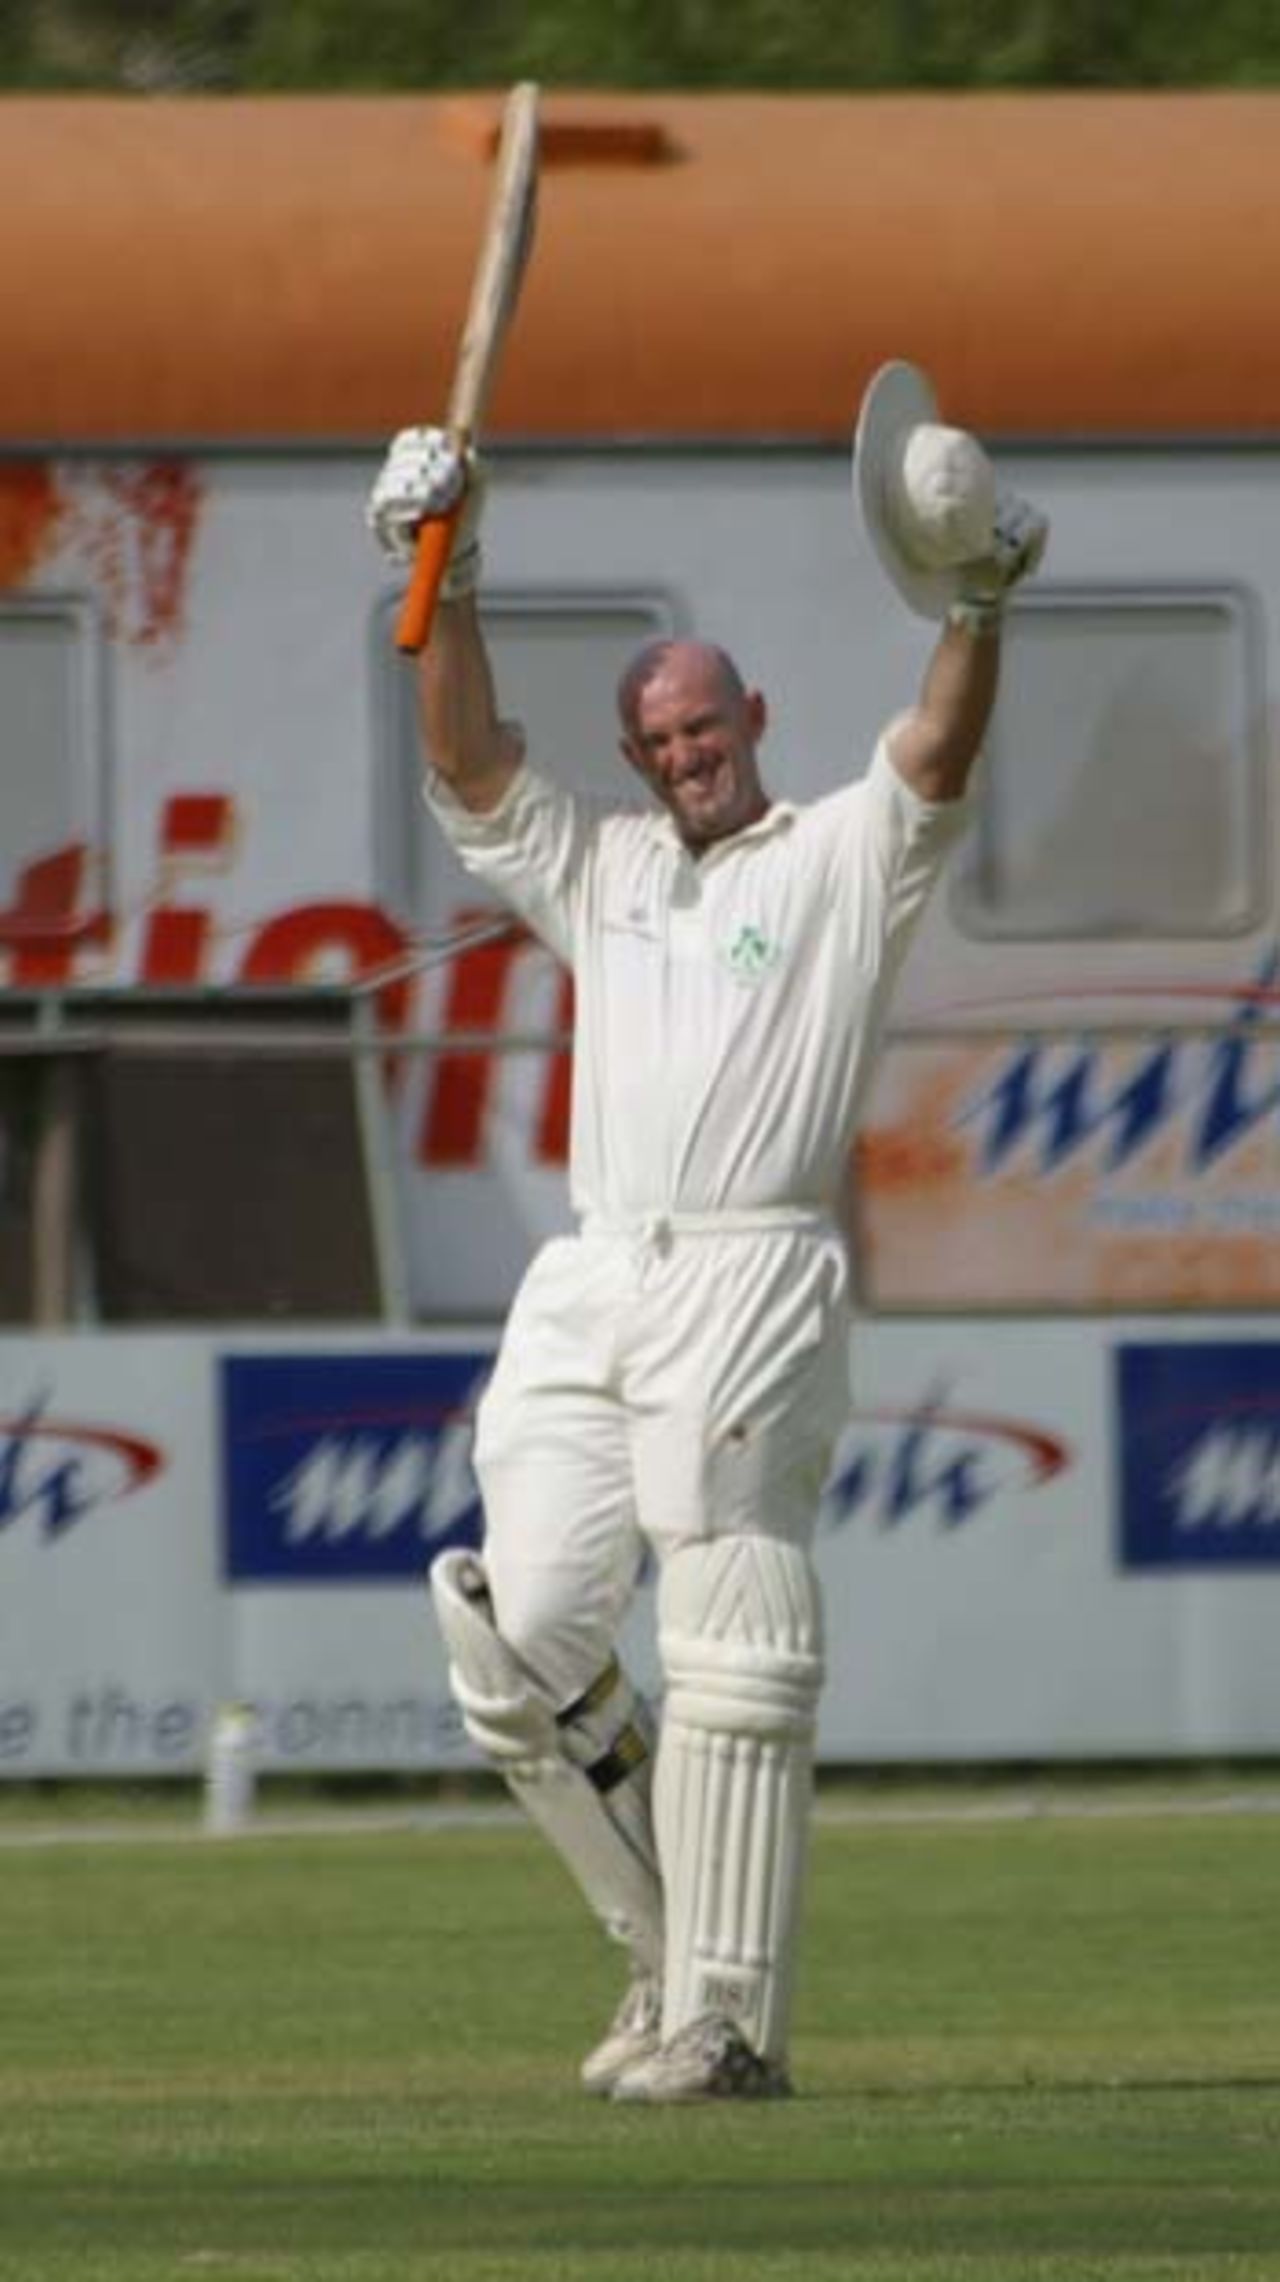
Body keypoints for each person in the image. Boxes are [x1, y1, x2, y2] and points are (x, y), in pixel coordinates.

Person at [366, 395, 1047, 2104]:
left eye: (703, 727)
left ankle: (732, 2026)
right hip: (598, 1272)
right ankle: (663, 1961)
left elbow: (940, 753)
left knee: (730, 1625)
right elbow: (464, 763)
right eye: (656, 740)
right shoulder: (600, 869)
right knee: (515, 1639)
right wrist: (443, 569)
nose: (684, 755)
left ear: (756, 719)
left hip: (753, 1267)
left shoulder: (836, 858)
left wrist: (980, 602)